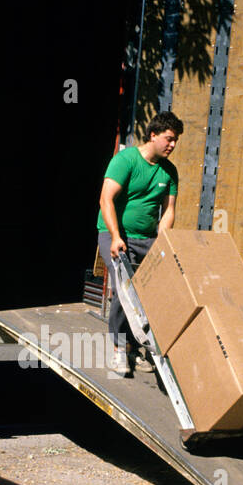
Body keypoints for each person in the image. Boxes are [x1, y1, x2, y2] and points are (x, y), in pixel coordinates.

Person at [96, 111, 183, 376]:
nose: (173, 145)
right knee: (125, 292)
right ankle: (119, 350)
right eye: (169, 139)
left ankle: (135, 347)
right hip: (116, 236)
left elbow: (168, 211)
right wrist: (116, 236)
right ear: (153, 135)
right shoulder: (126, 160)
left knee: (149, 294)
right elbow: (106, 199)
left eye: (176, 140)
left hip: (148, 240)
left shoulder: (169, 171)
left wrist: (160, 242)